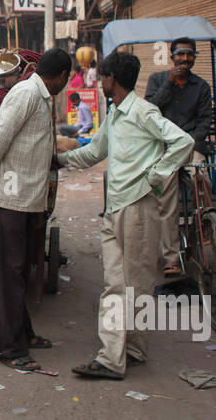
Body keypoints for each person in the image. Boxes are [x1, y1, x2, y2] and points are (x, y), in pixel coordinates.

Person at [56, 51, 193, 380]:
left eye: (103, 77)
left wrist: (156, 177)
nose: (100, 82)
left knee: (136, 284)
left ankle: (123, 354)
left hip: (139, 208)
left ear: (111, 80)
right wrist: (59, 160)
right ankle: (120, 353)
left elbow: (183, 142)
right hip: (115, 208)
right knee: (116, 283)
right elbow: (94, 152)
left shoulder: (143, 111)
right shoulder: (116, 113)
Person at [0, 48, 74, 372]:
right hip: (8, 201)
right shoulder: (25, 93)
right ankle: (8, 348)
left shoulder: (41, 96)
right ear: (61, 77)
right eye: (65, 79)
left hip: (28, 201)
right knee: (6, 276)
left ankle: (23, 334)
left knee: (20, 272)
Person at [145, 36, 214, 275]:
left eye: (190, 54)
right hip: (165, 149)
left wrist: (190, 141)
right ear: (172, 56)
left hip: (192, 146)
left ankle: (205, 224)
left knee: (203, 179)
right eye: (181, 54)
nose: (185, 59)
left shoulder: (202, 87)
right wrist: (169, 84)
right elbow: (150, 112)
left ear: (194, 58)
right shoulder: (157, 80)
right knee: (167, 201)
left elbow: (206, 121)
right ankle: (171, 258)